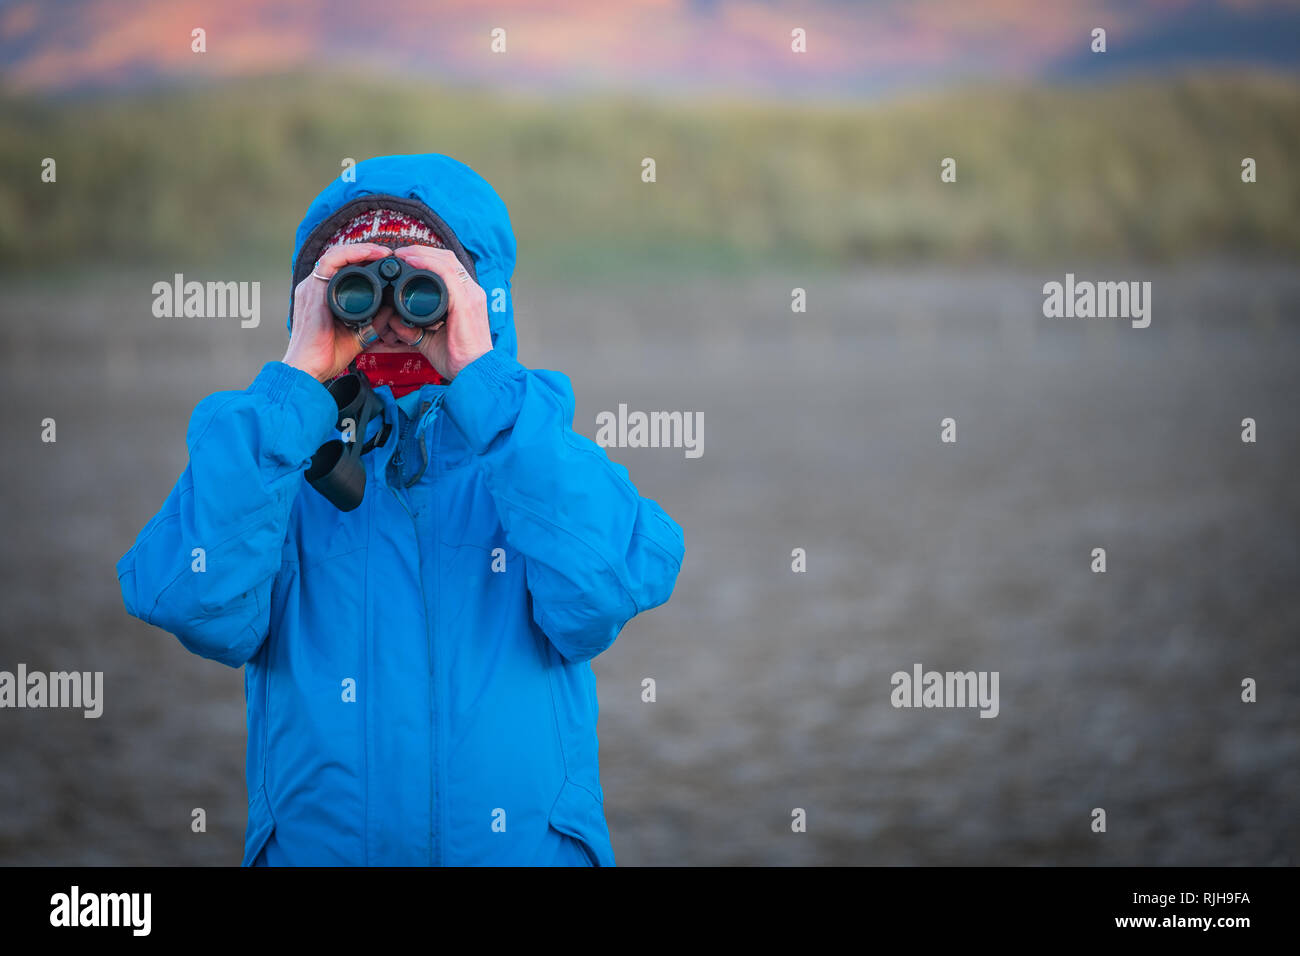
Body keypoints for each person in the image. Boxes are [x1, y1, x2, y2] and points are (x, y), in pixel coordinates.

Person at [116, 153, 685, 866]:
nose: (388, 317)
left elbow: (600, 596)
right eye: (354, 287)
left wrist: (487, 380)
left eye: (424, 288)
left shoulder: (526, 453)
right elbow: (194, 602)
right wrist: (294, 386)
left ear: (481, 298)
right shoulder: (273, 462)